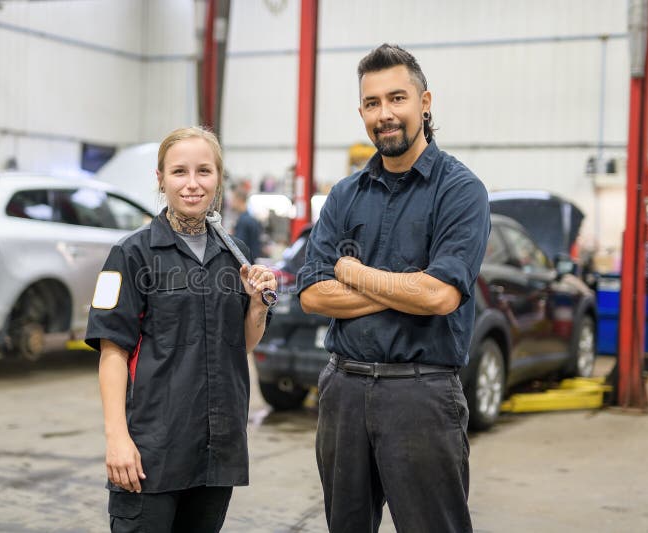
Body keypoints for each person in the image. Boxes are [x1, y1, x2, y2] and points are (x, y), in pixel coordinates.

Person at [296, 44, 490, 533]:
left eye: (396, 98)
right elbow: (312, 294)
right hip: (343, 391)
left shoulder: (459, 190)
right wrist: (406, 289)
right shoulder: (345, 195)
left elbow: (440, 296)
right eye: (372, 103)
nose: (384, 113)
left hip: (421, 393)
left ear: (425, 103)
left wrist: (351, 270)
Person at [85, 126, 277, 533]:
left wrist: (258, 306)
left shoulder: (235, 256)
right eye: (179, 172)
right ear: (161, 179)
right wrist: (117, 439)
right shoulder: (131, 254)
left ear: (218, 178)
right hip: (151, 453)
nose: (192, 184)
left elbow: (241, 345)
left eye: (204, 171)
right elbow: (113, 352)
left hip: (216, 453)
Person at [230, 187, 262, 261]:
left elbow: (238, 246)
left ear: (239, 200)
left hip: (245, 263)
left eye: (233, 199)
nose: (231, 203)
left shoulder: (243, 221)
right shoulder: (251, 219)